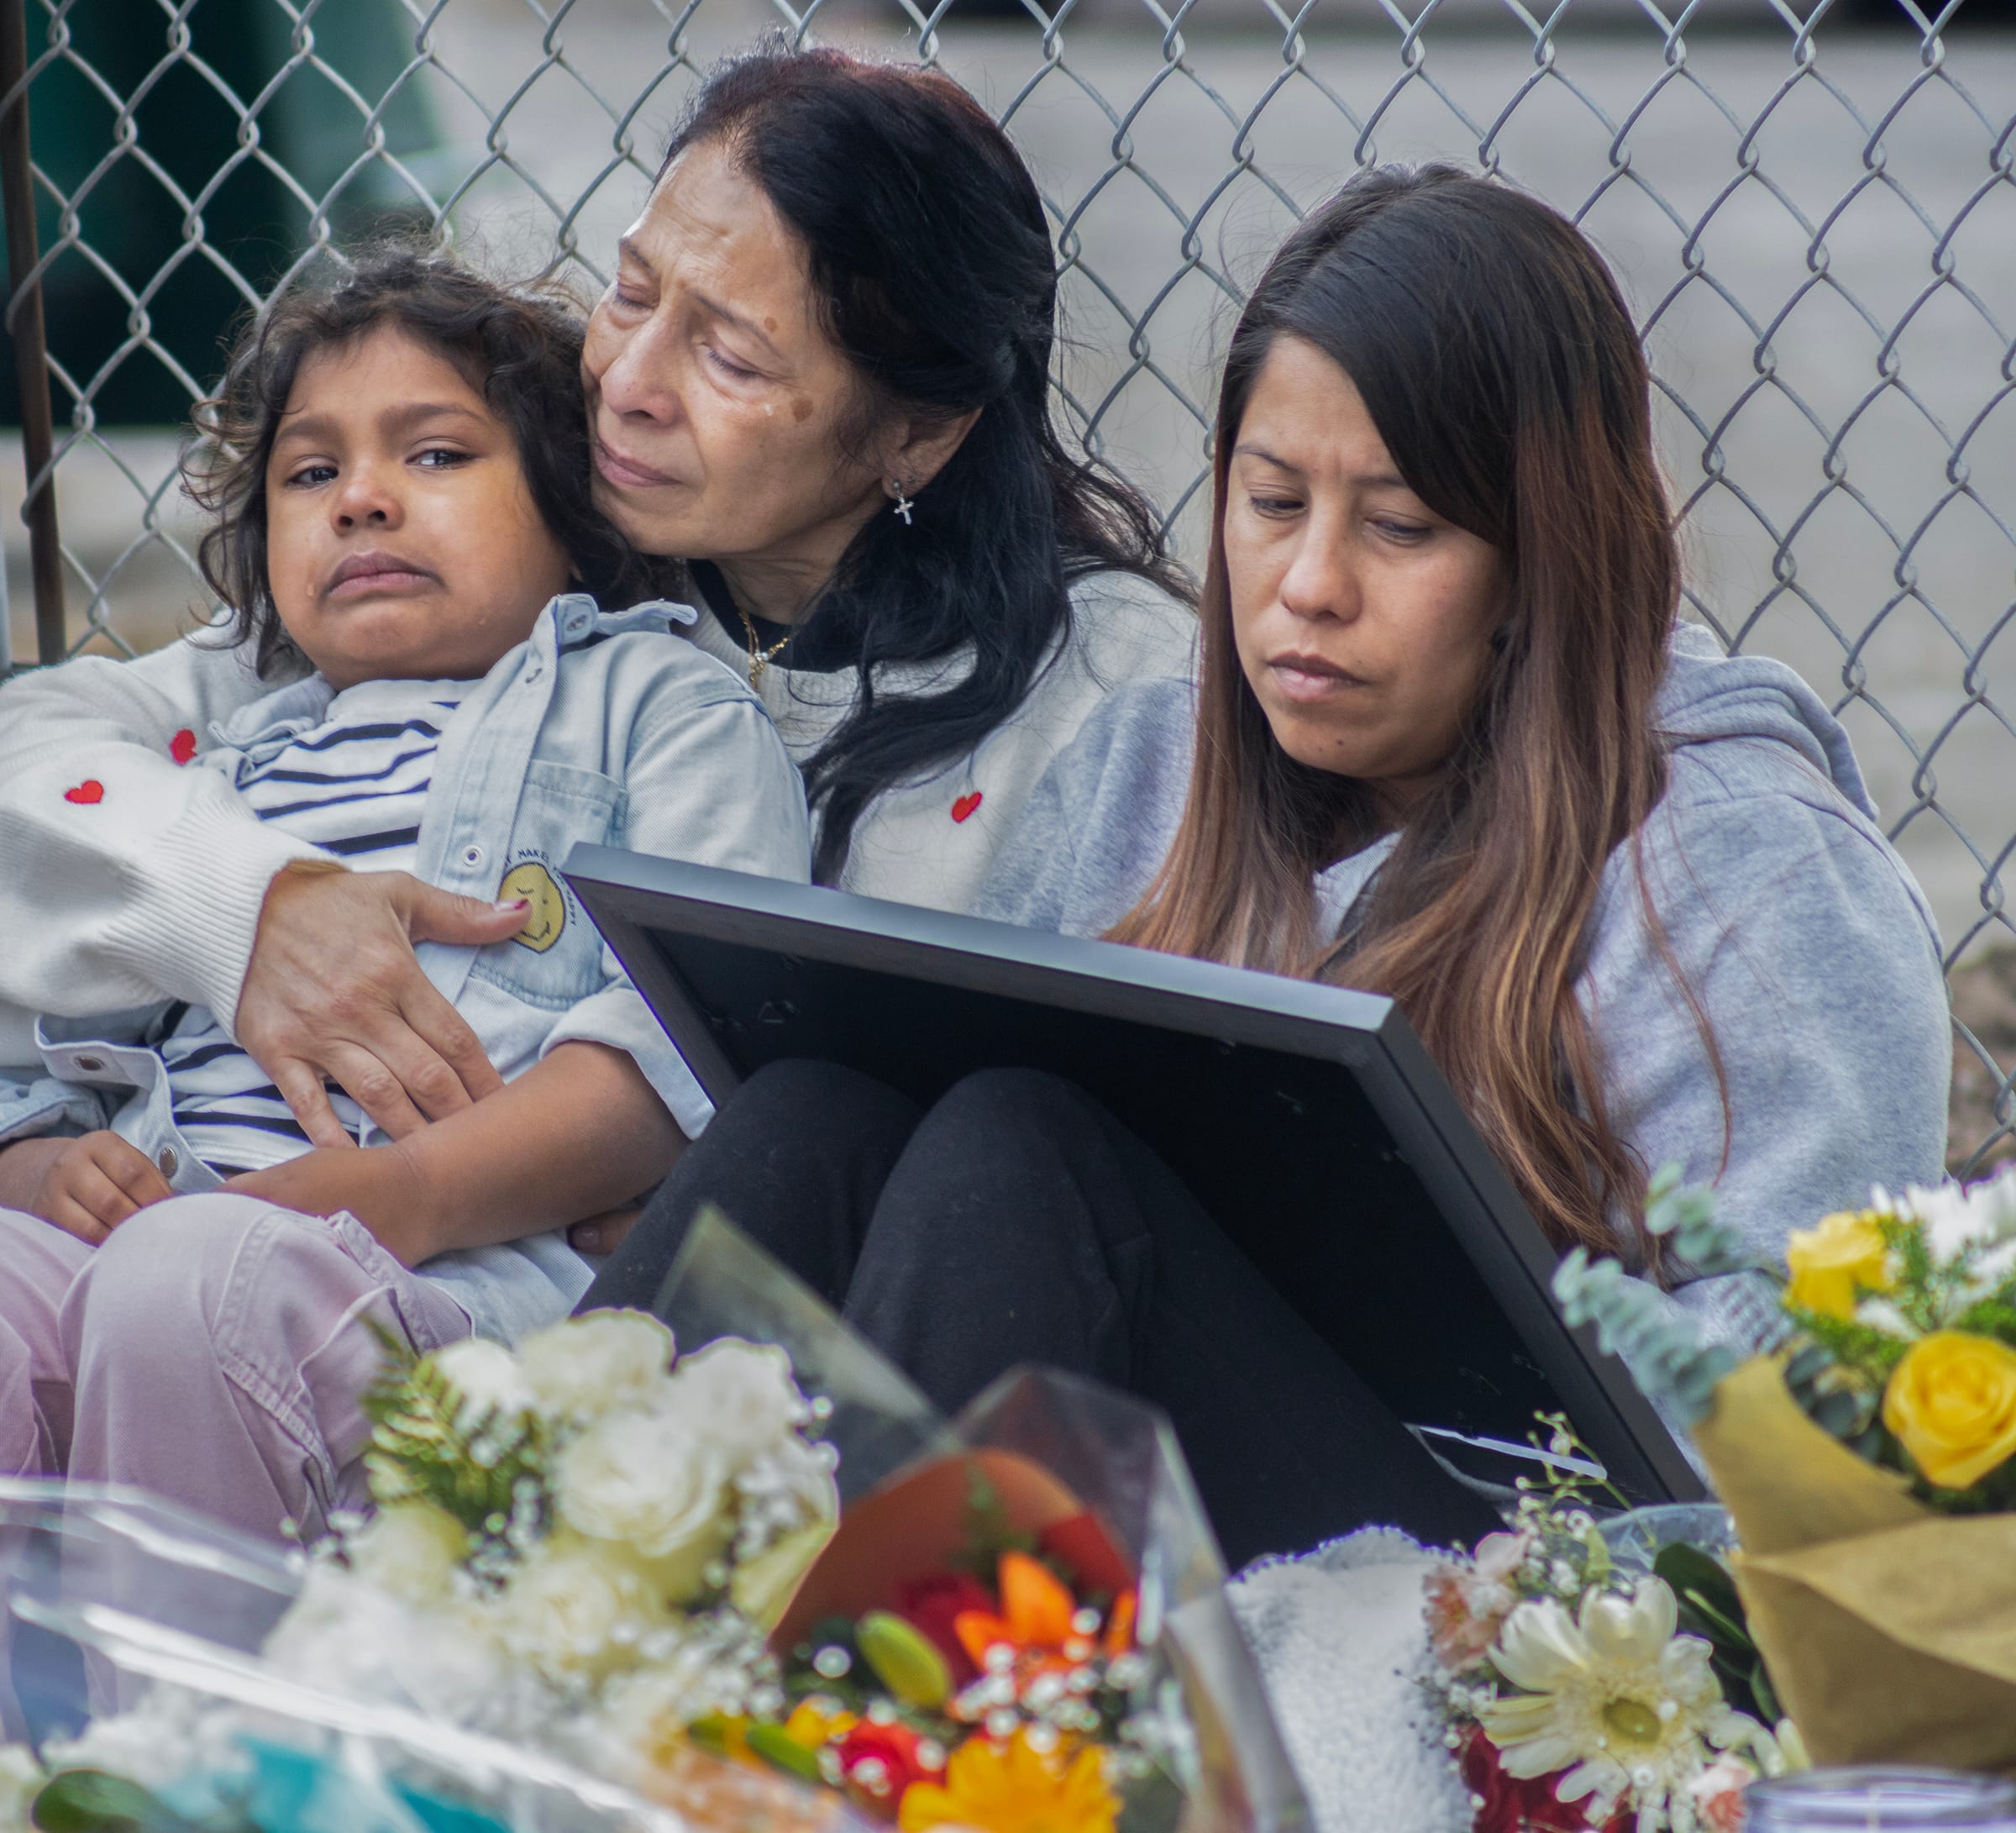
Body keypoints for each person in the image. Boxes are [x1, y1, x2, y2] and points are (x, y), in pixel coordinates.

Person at [580, 165, 1954, 1567]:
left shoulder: (1756, 873)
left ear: (1549, 555)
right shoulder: (1152, 763)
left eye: (1402, 525)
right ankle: (488, 1642)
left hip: (1524, 1592)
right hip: (1151, 1499)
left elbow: (1798, 1409)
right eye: (1272, 501)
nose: (1309, 583)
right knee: (815, 1114)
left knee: (1031, 1158)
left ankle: (853, 1751)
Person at [0, 46, 1195, 1253]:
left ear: (917, 435)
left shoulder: (1110, 701)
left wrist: (745, 1200)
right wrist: (246, 905)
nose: (625, 380)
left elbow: (1118, 1171)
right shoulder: (505, 574)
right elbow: (30, 750)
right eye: (631, 291)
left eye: (729, 357)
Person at [0, 248, 810, 1537]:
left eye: (434, 456)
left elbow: (678, 1041)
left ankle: (186, 1740)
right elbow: (65, 1031)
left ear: (573, 509)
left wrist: (412, 1189)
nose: (363, 499)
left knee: (185, 1289)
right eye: (310, 474)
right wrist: (38, 1169)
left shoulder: (656, 708)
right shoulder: (221, 764)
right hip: (157, 1215)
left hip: (440, 1282)